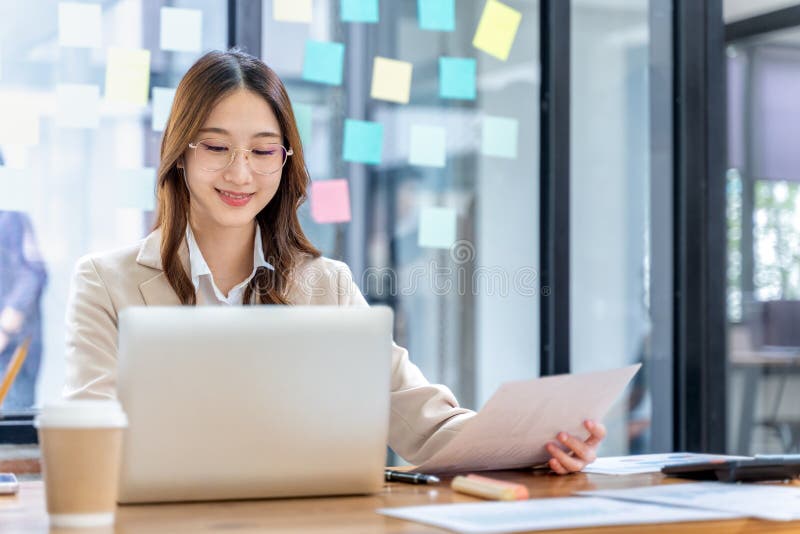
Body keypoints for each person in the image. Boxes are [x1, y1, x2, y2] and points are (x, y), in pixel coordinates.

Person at [63, 49, 604, 473]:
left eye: (262, 150)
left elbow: (424, 421)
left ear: (286, 160)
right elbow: (92, 438)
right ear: (180, 154)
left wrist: (535, 445)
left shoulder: (326, 286)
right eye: (216, 146)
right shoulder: (106, 283)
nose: (241, 173)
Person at [0, 209, 48, 410]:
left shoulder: (11, 221)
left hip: (11, 349)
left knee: (11, 427)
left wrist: (4, 330)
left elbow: (33, 274)